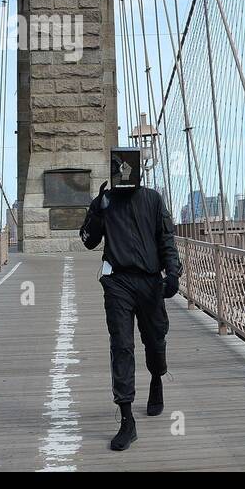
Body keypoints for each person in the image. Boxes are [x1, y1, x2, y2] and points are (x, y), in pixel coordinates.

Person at [79, 149, 182, 452]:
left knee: (155, 339)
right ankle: (126, 418)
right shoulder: (106, 203)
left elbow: (166, 239)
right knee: (121, 344)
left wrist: (172, 274)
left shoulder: (153, 199)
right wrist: (97, 209)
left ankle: (157, 378)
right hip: (118, 282)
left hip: (150, 282)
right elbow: (88, 241)